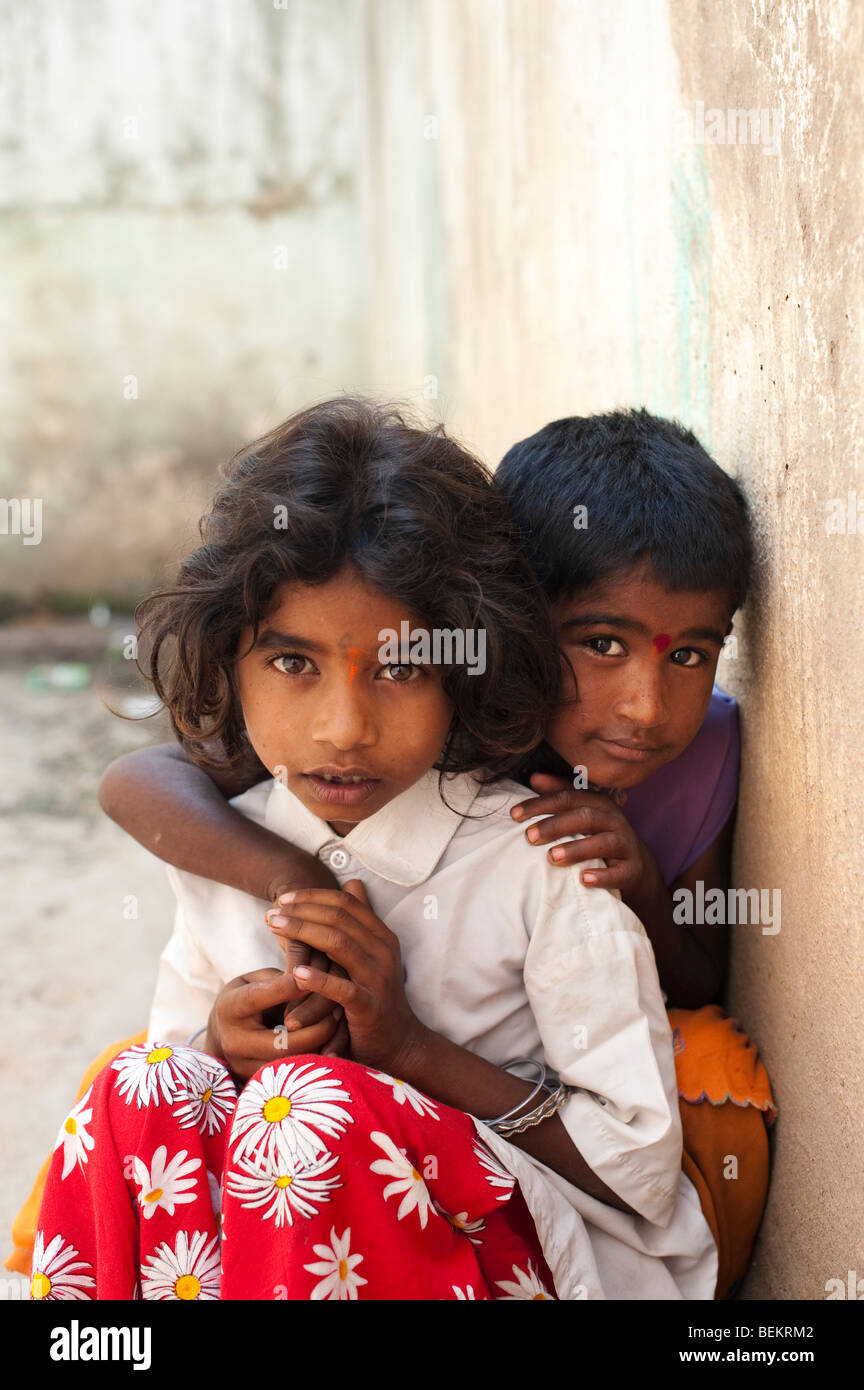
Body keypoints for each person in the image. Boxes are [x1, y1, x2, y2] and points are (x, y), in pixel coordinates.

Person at [28, 397, 718, 1301]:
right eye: (292, 664)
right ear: (229, 662)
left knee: (313, 1114)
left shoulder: (542, 862)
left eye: (399, 669)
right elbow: (179, 1121)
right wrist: (226, 1051)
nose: (344, 729)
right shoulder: (242, 847)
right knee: (141, 1085)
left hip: (534, 1258)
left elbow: (638, 1171)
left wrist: (413, 1051)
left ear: (464, 673)